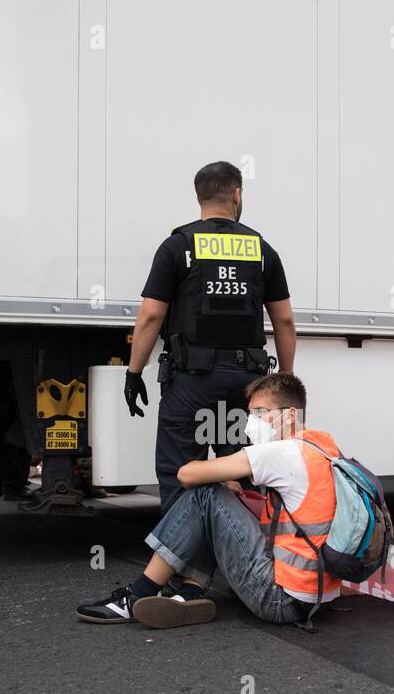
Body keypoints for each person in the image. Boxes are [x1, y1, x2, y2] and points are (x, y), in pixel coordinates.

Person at [77, 373, 340, 630]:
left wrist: (218, 486)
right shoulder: (323, 448)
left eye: (260, 413)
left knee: (207, 493)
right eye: (250, 414)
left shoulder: (280, 452)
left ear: (291, 415)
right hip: (316, 597)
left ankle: (136, 595)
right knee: (220, 498)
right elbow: (297, 518)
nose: (251, 423)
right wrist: (234, 500)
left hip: (280, 600)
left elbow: (186, 474)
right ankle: (190, 592)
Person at [123, 160, 297, 513]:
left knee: (181, 475)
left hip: (191, 384)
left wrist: (134, 372)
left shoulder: (176, 247)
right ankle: (246, 559)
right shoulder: (262, 251)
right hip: (245, 385)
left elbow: (151, 316)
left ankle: (183, 564)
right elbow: (285, 321)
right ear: (236, 194)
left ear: (199, 196)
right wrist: (284, 380)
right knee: (244, 473)